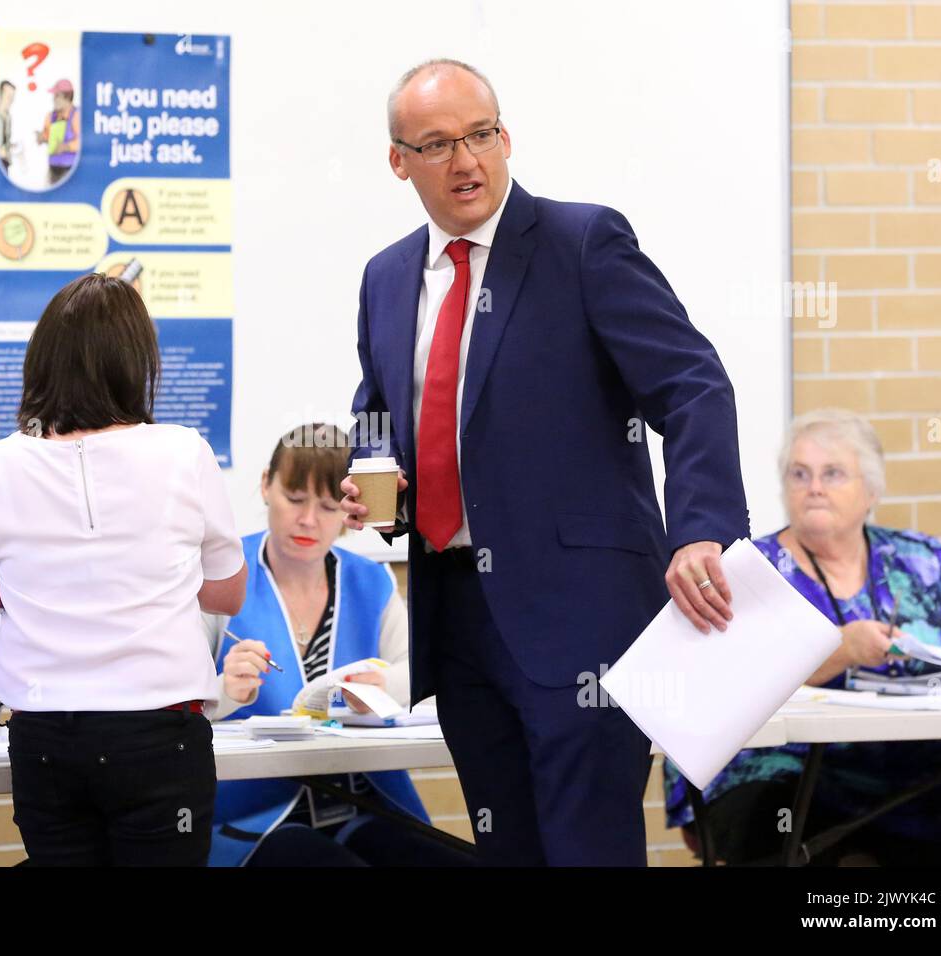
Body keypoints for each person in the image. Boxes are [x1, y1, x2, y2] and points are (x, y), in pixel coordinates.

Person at [340, 59, 749, 866]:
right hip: (456, 619)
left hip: (582, 617)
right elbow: (379, 412)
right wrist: (371, 474)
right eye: (437, 144)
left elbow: (694, 385)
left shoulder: (583, 242)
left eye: (481, 135)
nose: (466, 161)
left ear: (505, 136)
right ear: (398, 161)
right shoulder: (387, 278)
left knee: (587, 851)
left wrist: (701, 531)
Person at [0, 272, 246, 866]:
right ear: (138, 364)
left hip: (46, 741)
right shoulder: (185, 452)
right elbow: (226, 596)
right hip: (159, 737)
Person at [665, 408, 941, 866]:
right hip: (781, 771)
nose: (814, 487)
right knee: (788, 822)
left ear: (871, 490)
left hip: (917, 768)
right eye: (800, 474)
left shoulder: (925, 563)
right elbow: (717, 684)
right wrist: (839, 650)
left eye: (832, 473)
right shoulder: (749, 574)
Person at [204, 424, 474, 866]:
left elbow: (420, 672)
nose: (308, 520)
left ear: (350, 511)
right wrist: (224, 690)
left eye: (329, 506)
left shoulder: (371, 580)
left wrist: (384, 684)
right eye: (294, 499)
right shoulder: (223, 578)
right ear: (265, 485)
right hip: (255, 817)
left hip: (363, 806)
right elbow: (179, 702)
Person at [36, 79, 80, 185]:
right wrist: (42, 137)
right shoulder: (50, 116)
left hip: (71, 170)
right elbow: (48, 136)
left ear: (67, 97)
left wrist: (66, 147)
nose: (54, 99)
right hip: (53, 169)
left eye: (57, 96)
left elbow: (83, 142)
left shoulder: (77, 115)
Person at [0, 79, 15, 172]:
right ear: (1, 94)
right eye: (8, 96)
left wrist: (11, 146)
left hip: (4, 163)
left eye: (12, 97)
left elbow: (4, 141)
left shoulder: (8, 117)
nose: (11, 100)